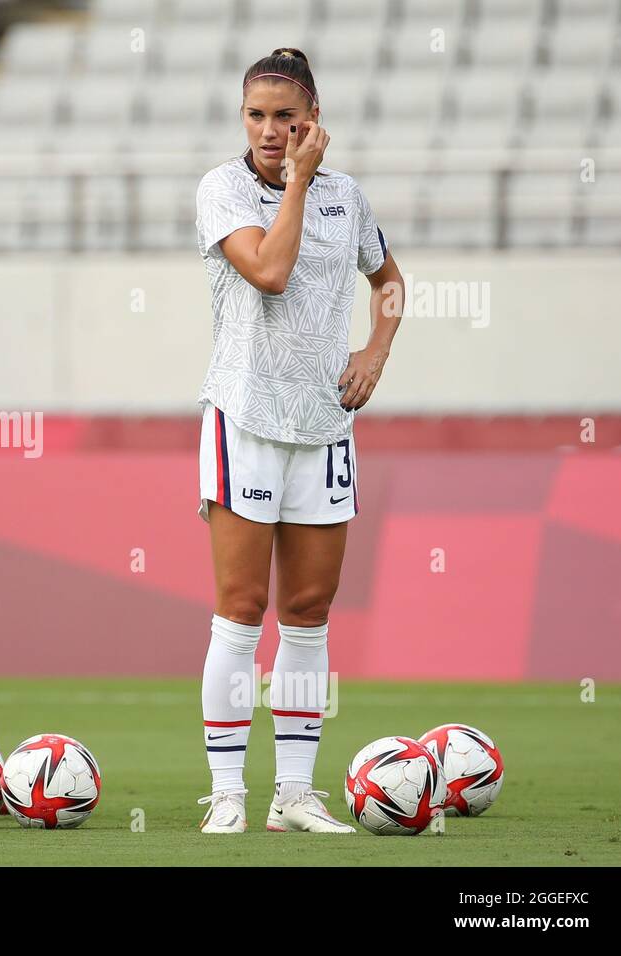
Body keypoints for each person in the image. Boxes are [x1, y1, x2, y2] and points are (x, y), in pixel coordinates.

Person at [193, 49, 405, 833]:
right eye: (257, 115)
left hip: (322, 426)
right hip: (245, 419)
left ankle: (294, 794)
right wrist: (298, 186)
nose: (272, 130)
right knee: (241, 611)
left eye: (287, 116)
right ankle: (227, 795)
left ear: (313, 115)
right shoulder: (225, 189)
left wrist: (374, 351)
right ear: (241, 117)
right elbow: (271, 271)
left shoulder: (348, 198)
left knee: (309, 612)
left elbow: (388, 282)